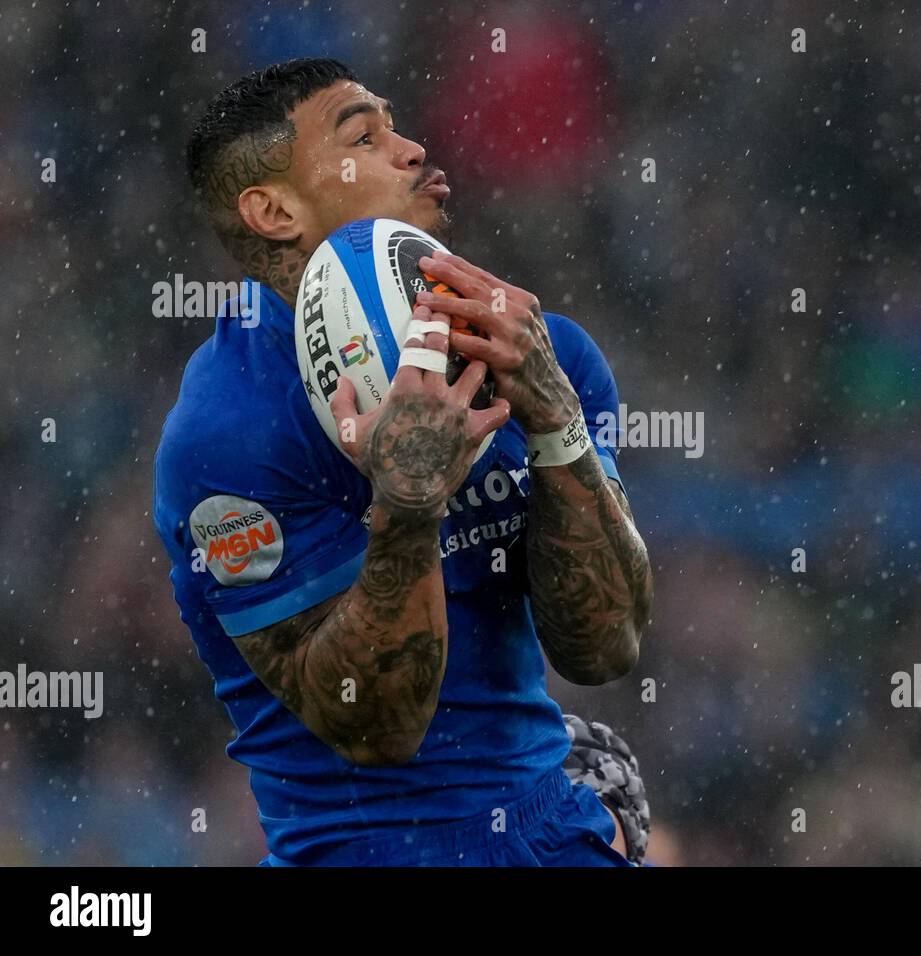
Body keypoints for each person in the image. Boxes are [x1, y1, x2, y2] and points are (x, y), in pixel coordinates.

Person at [152, 58, 653, 866]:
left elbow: (605, 648)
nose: (415, 148)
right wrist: (410, 500)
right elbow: (373, 726)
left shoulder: (538, 352)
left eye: (398, 125)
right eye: (366, 137)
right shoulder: (227, 439)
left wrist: (556, 419)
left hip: (551, 834)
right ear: (274, 208)